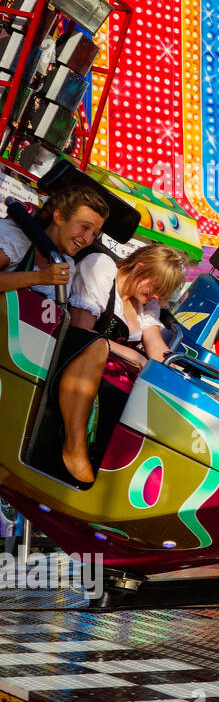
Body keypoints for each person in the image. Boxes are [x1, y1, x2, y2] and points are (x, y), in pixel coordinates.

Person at [0, 187, 111, 483]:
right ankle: (72, 449)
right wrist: (38, 277)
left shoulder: (67, 263)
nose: (87, 240)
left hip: (28, 352)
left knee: (97, 348)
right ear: (59, 216)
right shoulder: (15, 236)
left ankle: (74, 447)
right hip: (6, 344)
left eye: (94, 234)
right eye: (84, 228)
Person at [69, 243, 188, 388]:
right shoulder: (102, 269)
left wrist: (176, 377)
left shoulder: (146, 301)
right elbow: (80, 331)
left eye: (162, 292)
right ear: (139, 269)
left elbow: (155, 346)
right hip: (79, 367)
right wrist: (136, 358)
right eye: (156, 288)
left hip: (116, 375)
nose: (157, 296)